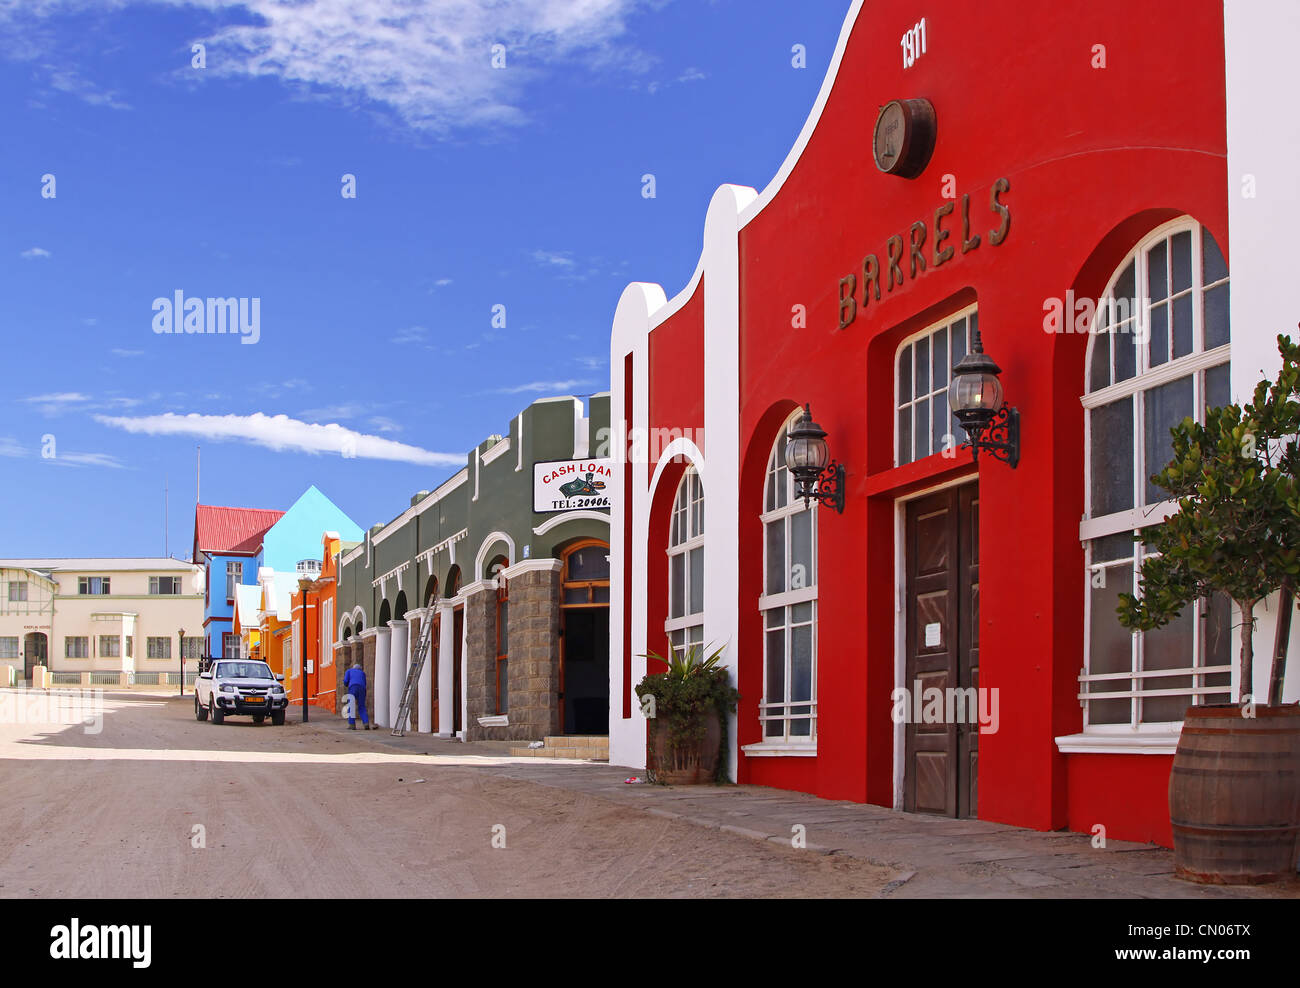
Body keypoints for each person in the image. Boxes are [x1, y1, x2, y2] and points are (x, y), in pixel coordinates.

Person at [343, 660, 374, 730]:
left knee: (351, 705)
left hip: (353, 688)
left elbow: (345, 681)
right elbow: (364, 683)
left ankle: (352, 724)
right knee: (362, 706)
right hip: (362, 689)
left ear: (353, 668)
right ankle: (366, 723)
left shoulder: (349, 671)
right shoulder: (362, 673)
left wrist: (346, 684)